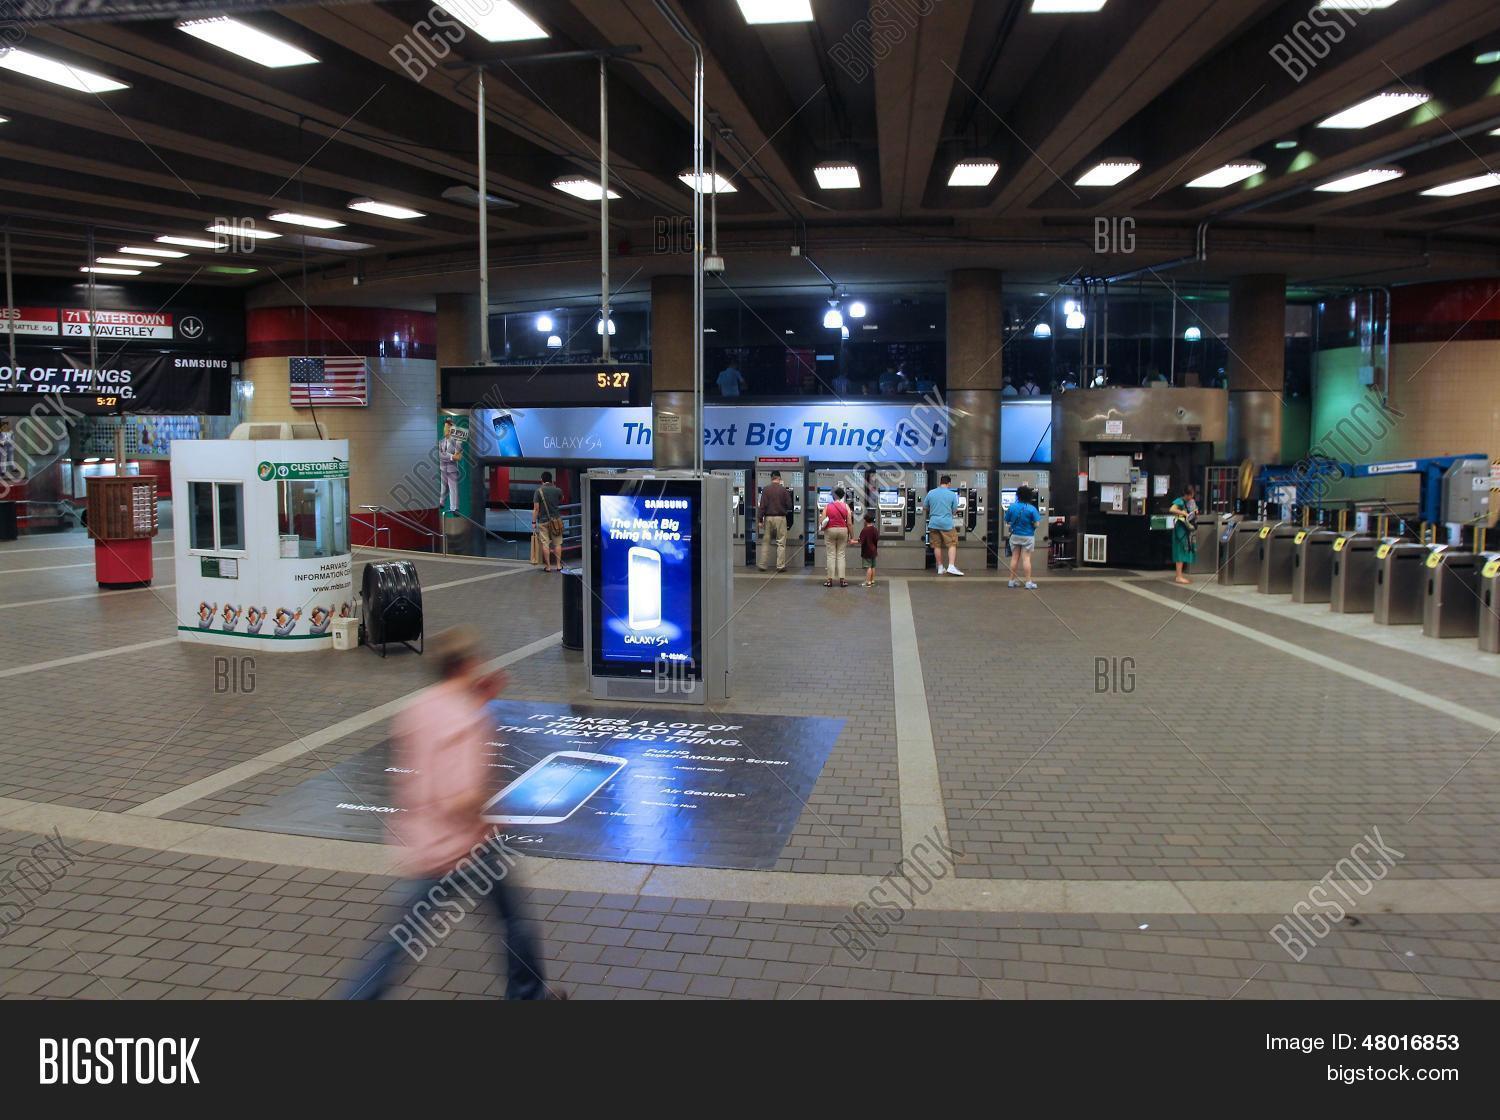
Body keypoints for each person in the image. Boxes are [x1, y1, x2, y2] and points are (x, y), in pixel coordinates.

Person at [347, 626, 560, 1000]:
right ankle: (529, 996)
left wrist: (477, 701)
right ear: (467, 665)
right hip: (466, 848)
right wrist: (490, 819)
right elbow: (460, 797)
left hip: (420, 842)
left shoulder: (419, 707)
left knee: (400, 941)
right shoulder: (468, 720)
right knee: (515, 921)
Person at [756, 469, 794, 573]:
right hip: (780, 518)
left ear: (771, 478)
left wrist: (760, 520)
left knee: (766, 542)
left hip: (768, 518)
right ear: (779, 478)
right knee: (781, 543)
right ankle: (780, 566)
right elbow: (789, 505)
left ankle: (763, 565)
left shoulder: (766, 490)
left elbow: (762, 506)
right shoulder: (783, 490)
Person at [1005, 484, 1042, 589]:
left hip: (1015, 535)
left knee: (1014, 558)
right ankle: (1028, 582)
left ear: (1018, 495)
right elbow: (1036, 524)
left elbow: (1007, 520)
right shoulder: (1031, 509)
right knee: (1026, 559)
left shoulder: (1012, 507)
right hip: (1028, 536)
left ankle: (1011, 581)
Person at [924, 474, 961, 576]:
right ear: (949, 483)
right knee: (952, 543)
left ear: (940, 482)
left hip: (933, 522)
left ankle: (940, 567)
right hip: (947, 523)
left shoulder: (931, 493)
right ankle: (951, 566)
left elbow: (925, 507)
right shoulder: (952, 494)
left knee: (936, 545)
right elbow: (954, 510)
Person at [820, 485, 852, 588]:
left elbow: (822, 520)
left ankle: (829, 580)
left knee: (831, 555)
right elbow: (850, 523)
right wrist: (852, 536)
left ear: (834, 496)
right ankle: (842, 581)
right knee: (841, 555)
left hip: (830, 530)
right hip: (843, 530)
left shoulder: (827, 506)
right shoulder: (846, 506)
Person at [533, 471, 565, 572]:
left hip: (543, 521)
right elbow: (562, 499)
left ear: (541, 480)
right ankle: (559, 565)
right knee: (557, 543)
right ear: (551, 480)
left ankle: (548, 566)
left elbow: (536, 509)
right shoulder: (557, 490)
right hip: (556, 521)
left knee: (545, 544)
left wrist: (534, 522)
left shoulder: (538, 491)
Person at [1170, 483, 1198, 585]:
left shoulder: (1192, 502)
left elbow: (1195, 511)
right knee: (1180, 550)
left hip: (1187, 529)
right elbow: (1172, 509)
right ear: (1185, 494)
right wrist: (1184, 513)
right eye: (1188, 495)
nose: (1190, 497)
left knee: (1185, 549)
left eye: (1191, 495)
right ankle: (1179, 576)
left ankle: (1180, 574)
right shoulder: (1180, 501)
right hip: (1180, 529)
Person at [438, 420, 463, 514]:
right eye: (445, 427)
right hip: (443, 467)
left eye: (448, 427)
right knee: (443, 486)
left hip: (452, 469)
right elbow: (440, 455)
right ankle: (441, 502)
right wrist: (451, 456)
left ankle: (454, 508)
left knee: (453, 488)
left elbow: (458, 456)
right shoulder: (441, 441)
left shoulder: (457, 441)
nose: (446, 429)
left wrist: (447, 456)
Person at [857, 510, 880, 587]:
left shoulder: (865, 530)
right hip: (874, 550)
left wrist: (852, 541)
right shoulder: (875, 529)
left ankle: (867, 582)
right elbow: (877, 538)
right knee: (873, 566)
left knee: (868, 567)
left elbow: (860, 541)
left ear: (865, 521)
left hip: (867, 551)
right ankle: (872, 580)